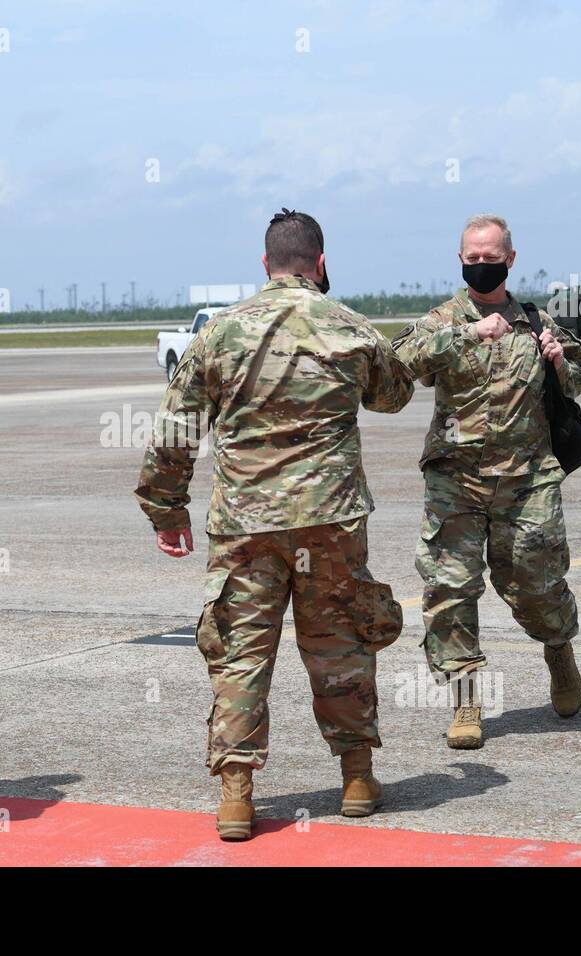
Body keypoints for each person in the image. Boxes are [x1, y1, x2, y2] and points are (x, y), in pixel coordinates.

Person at [135, 209, 414, 841]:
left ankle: (236, 795)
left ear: (264, 265)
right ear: (320, 261)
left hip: (246, 523)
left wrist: (166, 507)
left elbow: (176, 430)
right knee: (340, 643)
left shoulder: (220, 333)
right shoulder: (349, 327)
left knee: (241, 653)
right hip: (330, 521)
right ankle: (357, 778)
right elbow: (392, 395)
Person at [392, 214, 581, 750]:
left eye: (491, 257)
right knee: (450, 589)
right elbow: (400, 365)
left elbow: (580, 374)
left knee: (536, 585)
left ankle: (558, 650)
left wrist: (558, 360)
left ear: (511, 258)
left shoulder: (534, 319)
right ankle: (465, 699)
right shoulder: (442, 320)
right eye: (472, 259)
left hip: (528, 479)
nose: (482, 266)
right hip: (456, 480)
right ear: (460, 260)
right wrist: (465, 335)